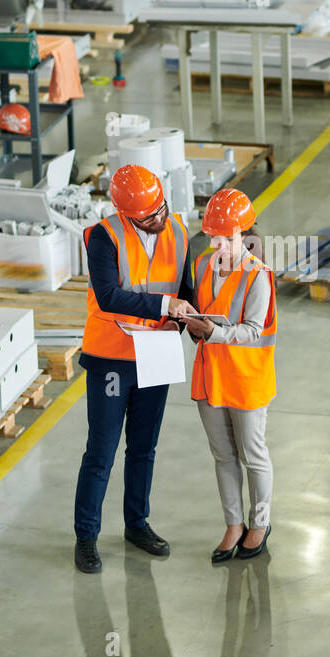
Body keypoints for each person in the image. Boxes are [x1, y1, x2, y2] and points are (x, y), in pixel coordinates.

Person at [73, 164, 197, 574]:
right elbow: (108, 296)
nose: (159, 218)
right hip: (112, 357)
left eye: (161, 208)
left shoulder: (177, 230)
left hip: (157, 352)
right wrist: (167, 307)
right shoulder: (102, 238)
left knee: (143, 448)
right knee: (102, 451)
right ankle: (86, 537)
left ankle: (137, 524)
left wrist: (194, 322)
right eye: (149, 216)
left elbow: (186, 289)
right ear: (127, 214)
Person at [179, 190, 277, 563]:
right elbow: (203, 309)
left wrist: (213, 333)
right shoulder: (204, 265)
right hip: (210, 375)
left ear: (246, 233)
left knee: (252, 454)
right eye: (214, 238)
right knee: (222, 455)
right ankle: (234, 524)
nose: (220, 245)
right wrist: (190, 322)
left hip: (246, 378)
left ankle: (260, 523)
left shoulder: (258, 275)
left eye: (229, 239)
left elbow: (254, 329)